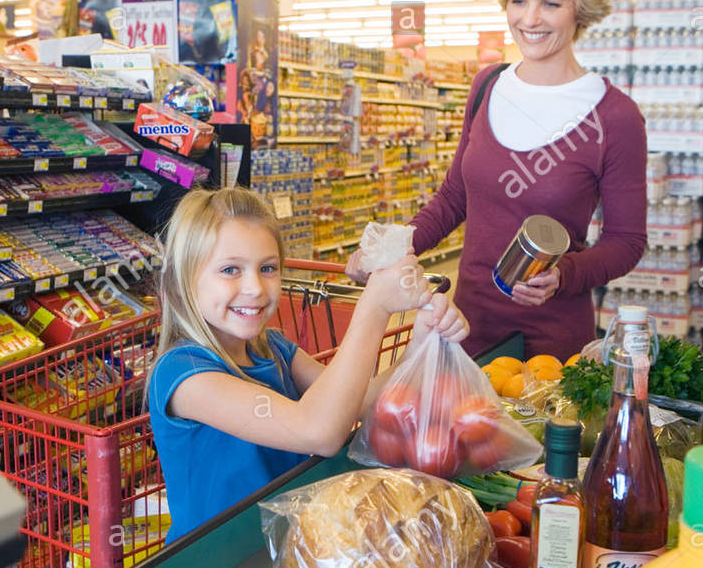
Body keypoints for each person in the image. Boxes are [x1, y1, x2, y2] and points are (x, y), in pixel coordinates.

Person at [346, 0, 648, 361]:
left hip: (551, 344)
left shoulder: (615, 116)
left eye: (550, 4)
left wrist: (564, 274)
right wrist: (389, 248)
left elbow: (627, 240)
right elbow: (453, 198)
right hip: (465, 327)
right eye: (519, 0)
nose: (529, 20)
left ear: (579, 8)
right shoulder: (486, 86)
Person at [148, 187, 468, 543]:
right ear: (181, 283)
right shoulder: (185, 375)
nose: (255, 287)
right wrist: (374, 307)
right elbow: (319, 431)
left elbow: (358, 403)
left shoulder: (273, 349)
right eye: (230, 270)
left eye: (267, 268)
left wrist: (421, 344)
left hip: (295, 543)